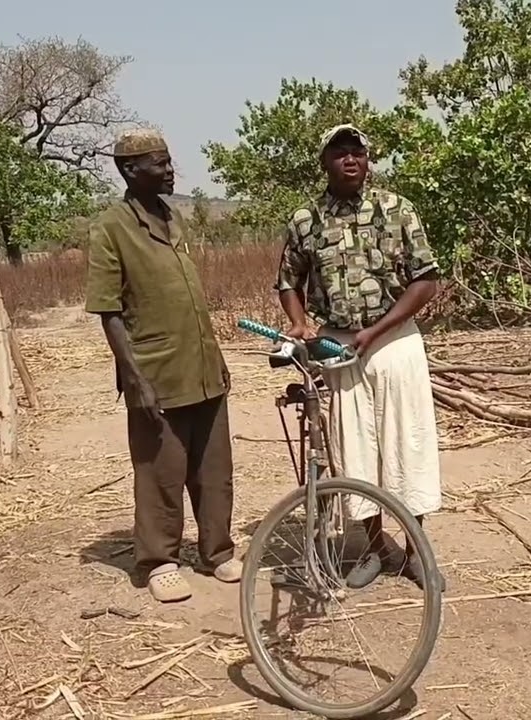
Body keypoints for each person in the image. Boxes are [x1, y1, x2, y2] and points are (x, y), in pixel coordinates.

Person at [275, 123, 445, 591]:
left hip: (394, 343)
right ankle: (374, 547)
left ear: (368, 161)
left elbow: (426, 280)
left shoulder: (397, 209)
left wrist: (374, 331)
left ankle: (416, 553)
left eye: (358, 152)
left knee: (407, 446)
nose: (350, 160)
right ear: (324, 162)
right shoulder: (306, 219)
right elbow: (288, 280)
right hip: (338, 348)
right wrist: (297, 324)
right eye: (339, 153)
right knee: (356, 452)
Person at [83, 128, 240, 603]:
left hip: (202, 365)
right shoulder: (110, 227)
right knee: (161, 472)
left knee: (214, 470)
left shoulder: (173, 219)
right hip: (155, 370)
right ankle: (159, 560)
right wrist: (135, 379)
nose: (171, 170)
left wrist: (217, 357)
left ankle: (217, 550)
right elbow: (108, 310)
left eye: (170, 161)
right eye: (160, 163)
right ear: (130, 170)